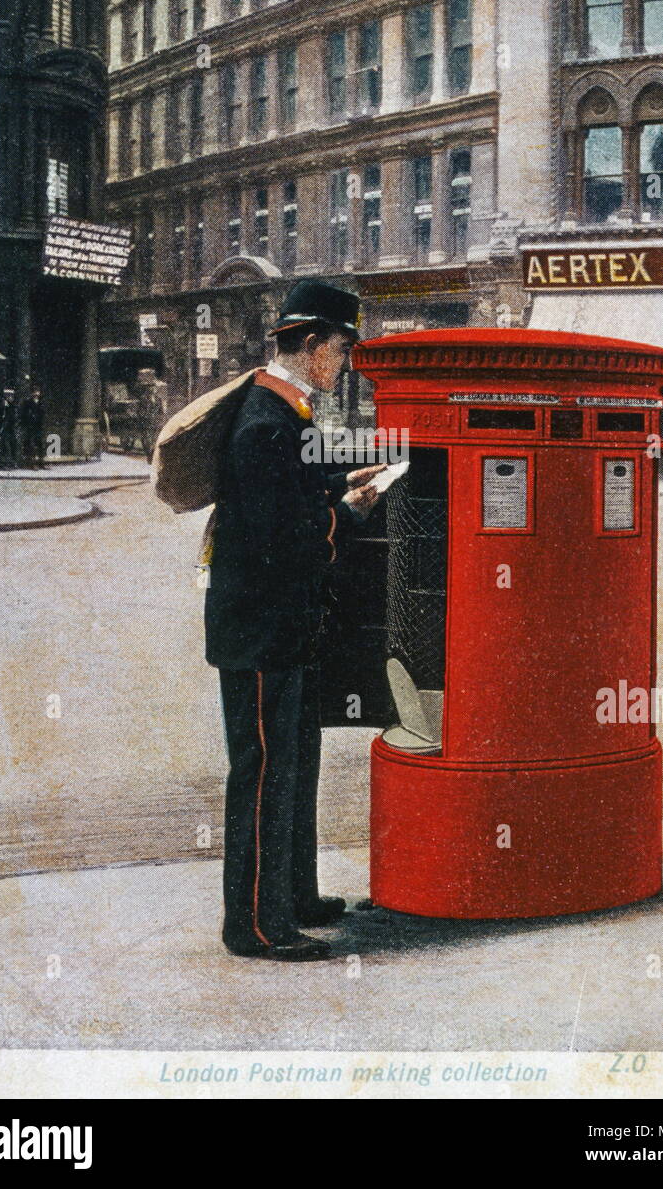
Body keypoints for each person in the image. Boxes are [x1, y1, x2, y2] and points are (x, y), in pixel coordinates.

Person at [205, 280, 386, 962]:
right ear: (310, 345)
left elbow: (294, 495)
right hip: (259, 632)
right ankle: (253, 923)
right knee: (261, 774)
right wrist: (352, 510)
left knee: (294, 764)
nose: (342, 363)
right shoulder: (264, 422)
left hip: (284, 627)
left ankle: (295, 895)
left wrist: (338, 484)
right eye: (340, 350)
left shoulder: (285, 414)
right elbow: (288, 537)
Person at [19, 386, 46, 469]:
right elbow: (23, 414)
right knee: (30, 445)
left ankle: (41, 463)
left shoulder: (41, 402)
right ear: (32, 393)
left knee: (39, 444)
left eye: (38, 392)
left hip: (38, 426)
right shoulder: (27, 402)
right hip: (29, 426)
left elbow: (42, 413)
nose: (37, 393)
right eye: (35, 392)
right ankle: (31, 463)